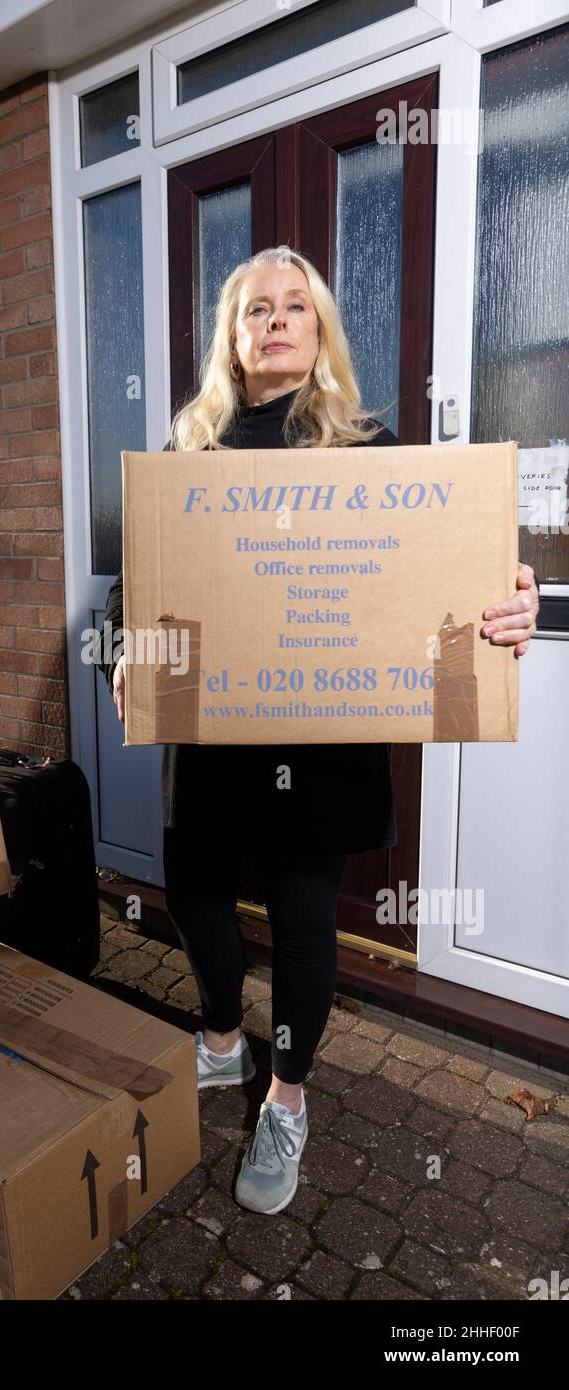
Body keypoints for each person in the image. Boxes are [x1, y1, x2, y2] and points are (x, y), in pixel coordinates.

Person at [101, 245, 539, 1217]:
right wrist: (127, 652)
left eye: (296, 306)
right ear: (233, 335)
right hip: (213, 743)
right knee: (197, 896)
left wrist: (510, 600)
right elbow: (143, 596)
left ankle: (286, 1095)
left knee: (303, 925)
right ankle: (222, 1042)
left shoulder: (371, 453)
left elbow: (450, 578)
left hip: (326, 745)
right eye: (257, 308)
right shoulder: (190, 460)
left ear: (319, 329)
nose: (276, 320)